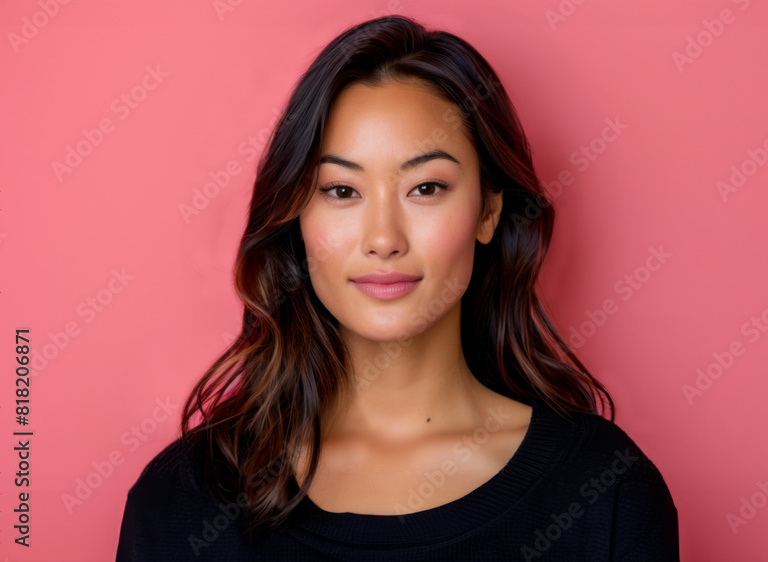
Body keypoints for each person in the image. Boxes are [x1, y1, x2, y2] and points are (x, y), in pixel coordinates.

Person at [115, 14, 679, 561]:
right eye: (341, 191)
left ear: (488, 211)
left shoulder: (606, 494)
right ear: (296, 218)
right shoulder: (179, 504)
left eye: (426, 187)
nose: (383, 239)